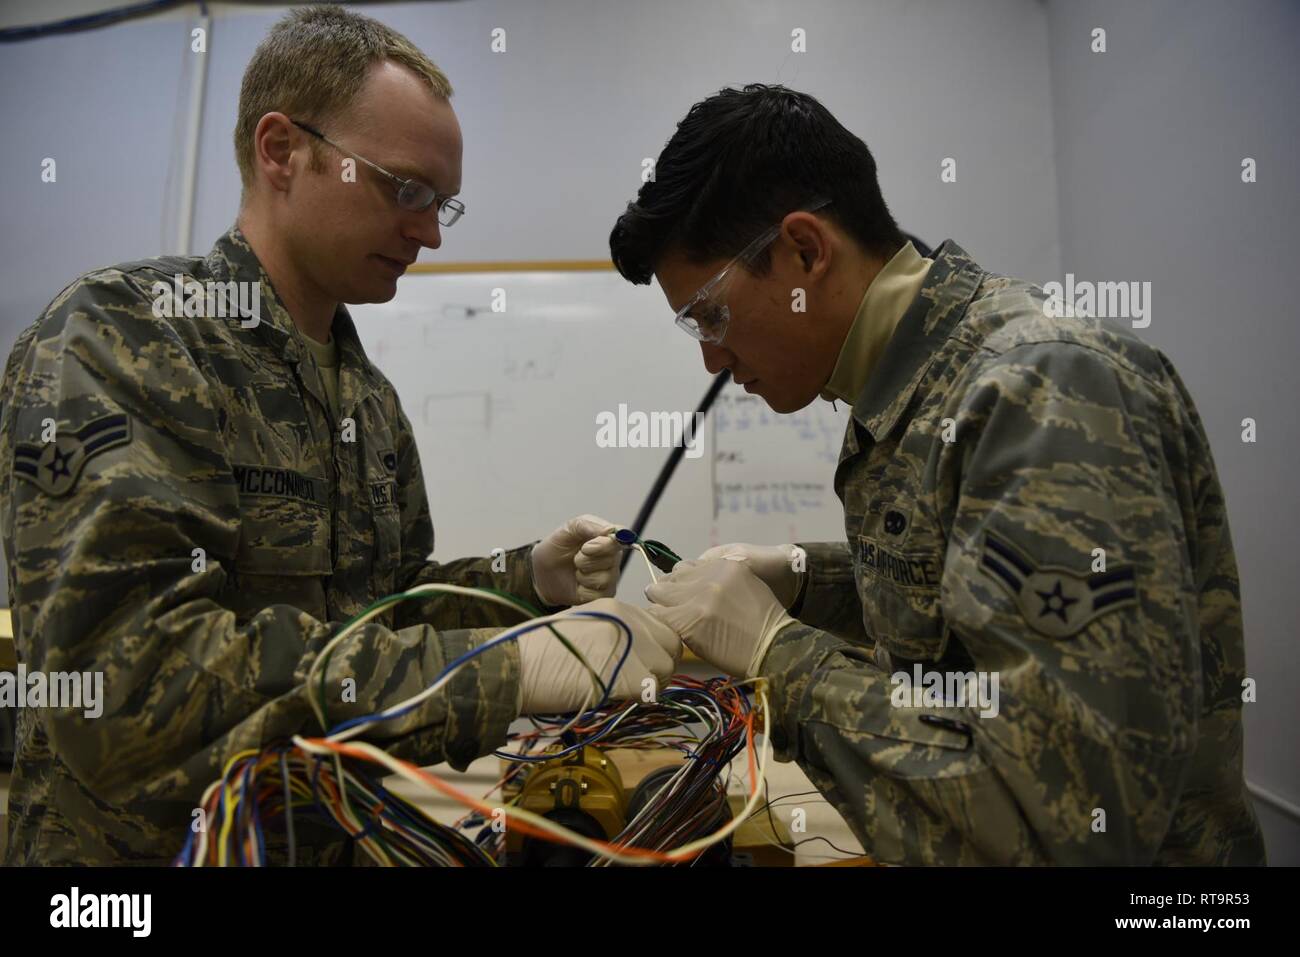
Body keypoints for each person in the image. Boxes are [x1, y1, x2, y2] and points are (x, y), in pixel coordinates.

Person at [0, 5, 679, 865]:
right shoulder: (122, 337)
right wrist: (510, 671)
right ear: (281, 150)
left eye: (443, 205)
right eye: (406, 190)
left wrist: (524, 583)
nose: (429, 232)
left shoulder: (366, 400)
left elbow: (380, 614)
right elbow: (133, 689)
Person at [610, 83, 1265, 865]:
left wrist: (777, 651)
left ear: (806, 252)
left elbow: (1069, 823)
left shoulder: (1042, 387)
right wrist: (800, 579)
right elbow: (969, 598)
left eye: (710, 316)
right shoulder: (915, 383)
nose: (711, 358)